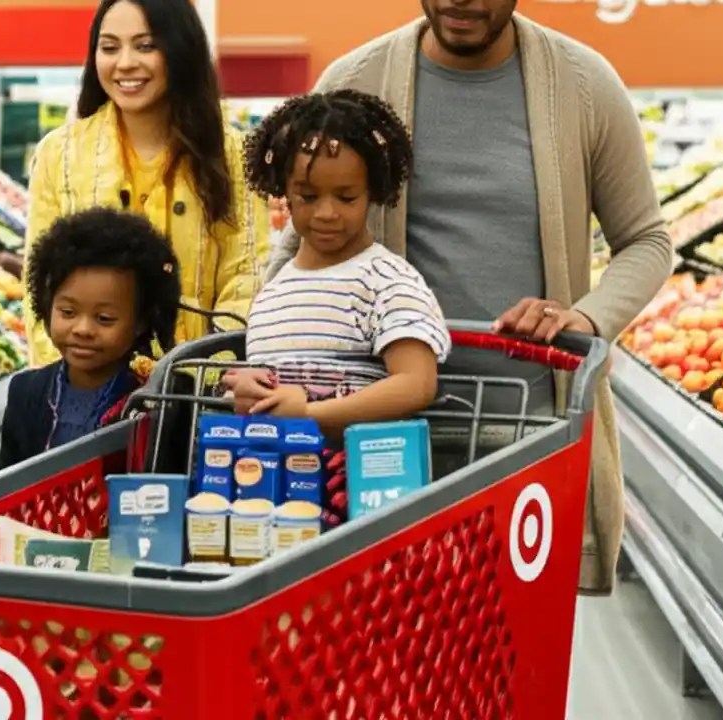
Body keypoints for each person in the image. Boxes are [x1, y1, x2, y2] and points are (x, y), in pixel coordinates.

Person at [264, 2, 674, 595]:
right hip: (370, 441)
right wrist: (258, 358)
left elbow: (646, 239)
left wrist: (583, 317)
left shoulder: (583, 86)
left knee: (511, 656)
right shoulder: (356, 82)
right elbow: (294, 245)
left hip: (526, 436)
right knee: (381, 655)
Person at [23, 0, 270, 367]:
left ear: (179, 49)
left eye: (145, 46)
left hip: (194, 390)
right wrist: (63, 378)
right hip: (88, 392)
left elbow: (245, 275)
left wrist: (207, 371)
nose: (124, 63)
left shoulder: (232, 155)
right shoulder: (59, 154)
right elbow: (39, 283)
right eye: (109, 47)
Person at [229, 90, 450, 437]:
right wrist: (248, 389)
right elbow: (272, 391)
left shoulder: (388, 281)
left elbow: (417, 383)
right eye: (308, 196)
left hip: (367, 479)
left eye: (347, 197)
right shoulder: (272, 293)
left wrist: (308, 413)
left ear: (373, 191)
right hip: (278, 477)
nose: (327, 213)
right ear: (283, 189)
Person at [0, 208, 180, 471]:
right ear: (47, 307)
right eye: (68, 312)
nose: (83, 329)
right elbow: (1, 486)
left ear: (141, 321)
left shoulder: (155, 398)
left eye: (104, 318)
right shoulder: (26, 392)